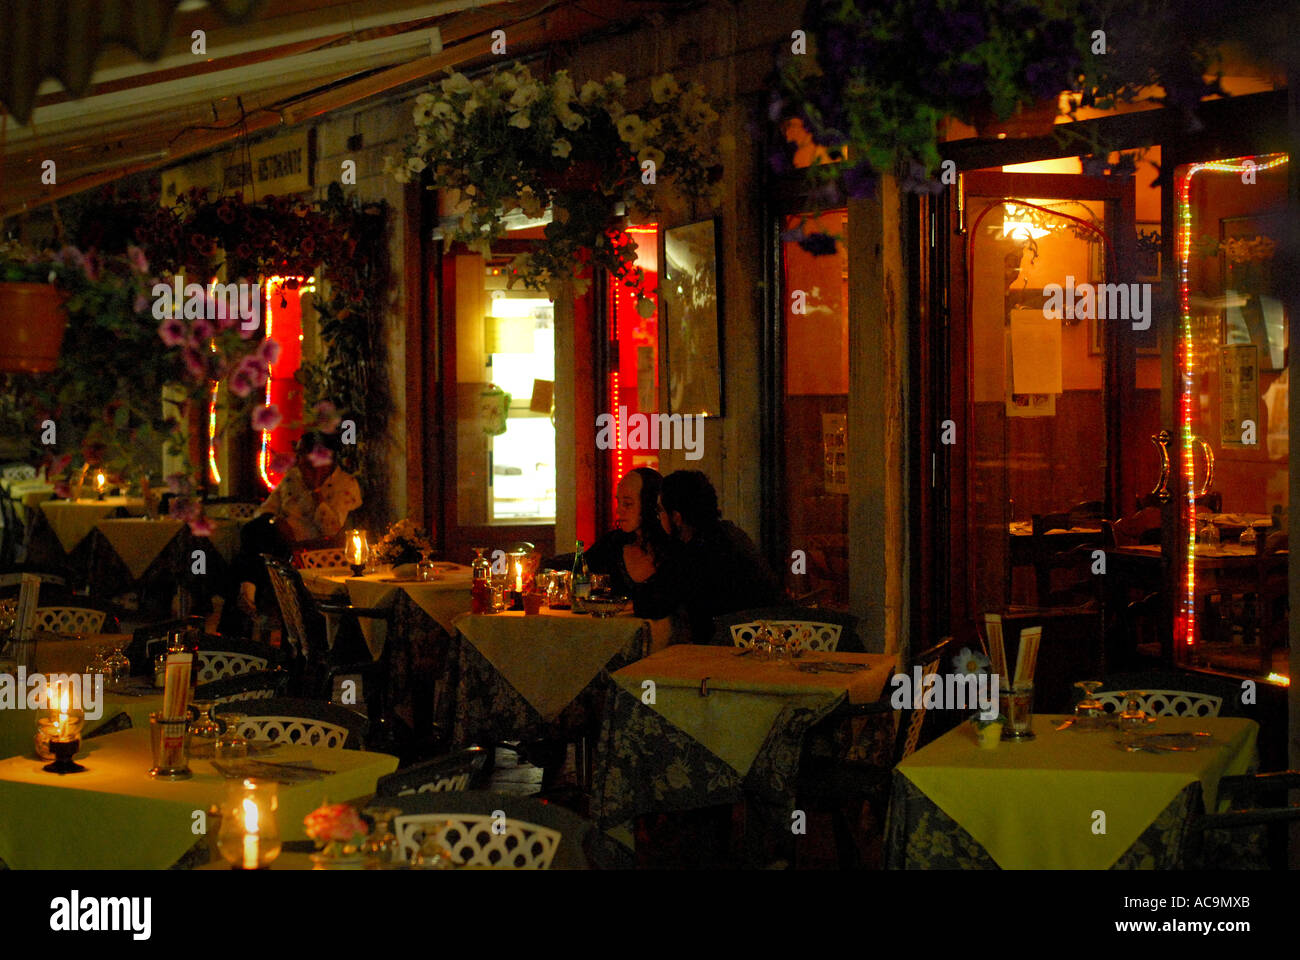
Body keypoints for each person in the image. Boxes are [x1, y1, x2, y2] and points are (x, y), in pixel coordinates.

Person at [217, 431, 361, 637]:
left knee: (247, 554)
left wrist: (316, 492)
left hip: (309, 551)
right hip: (275, 543)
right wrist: (276, 521)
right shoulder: (294, 478)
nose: (298, 460)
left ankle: (243, 599)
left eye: (303, 454)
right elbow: (266, 508)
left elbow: (332, 528)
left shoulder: (345, 485)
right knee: (254, 531)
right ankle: (246, 588)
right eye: (298, 453)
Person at [659, 469, 782, 644]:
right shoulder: (730, 535)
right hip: (761, 640)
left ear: (676, 517)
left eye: (661, 511)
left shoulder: (698, 552)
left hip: (733, 650)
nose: (659, 518)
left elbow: (658, 602)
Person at [584, 467, 681, 623]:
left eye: (627, 504)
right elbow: (579, 565)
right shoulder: (612, 544)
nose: (619, 510)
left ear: (650, 505)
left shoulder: (675, 549)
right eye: (618, 502)